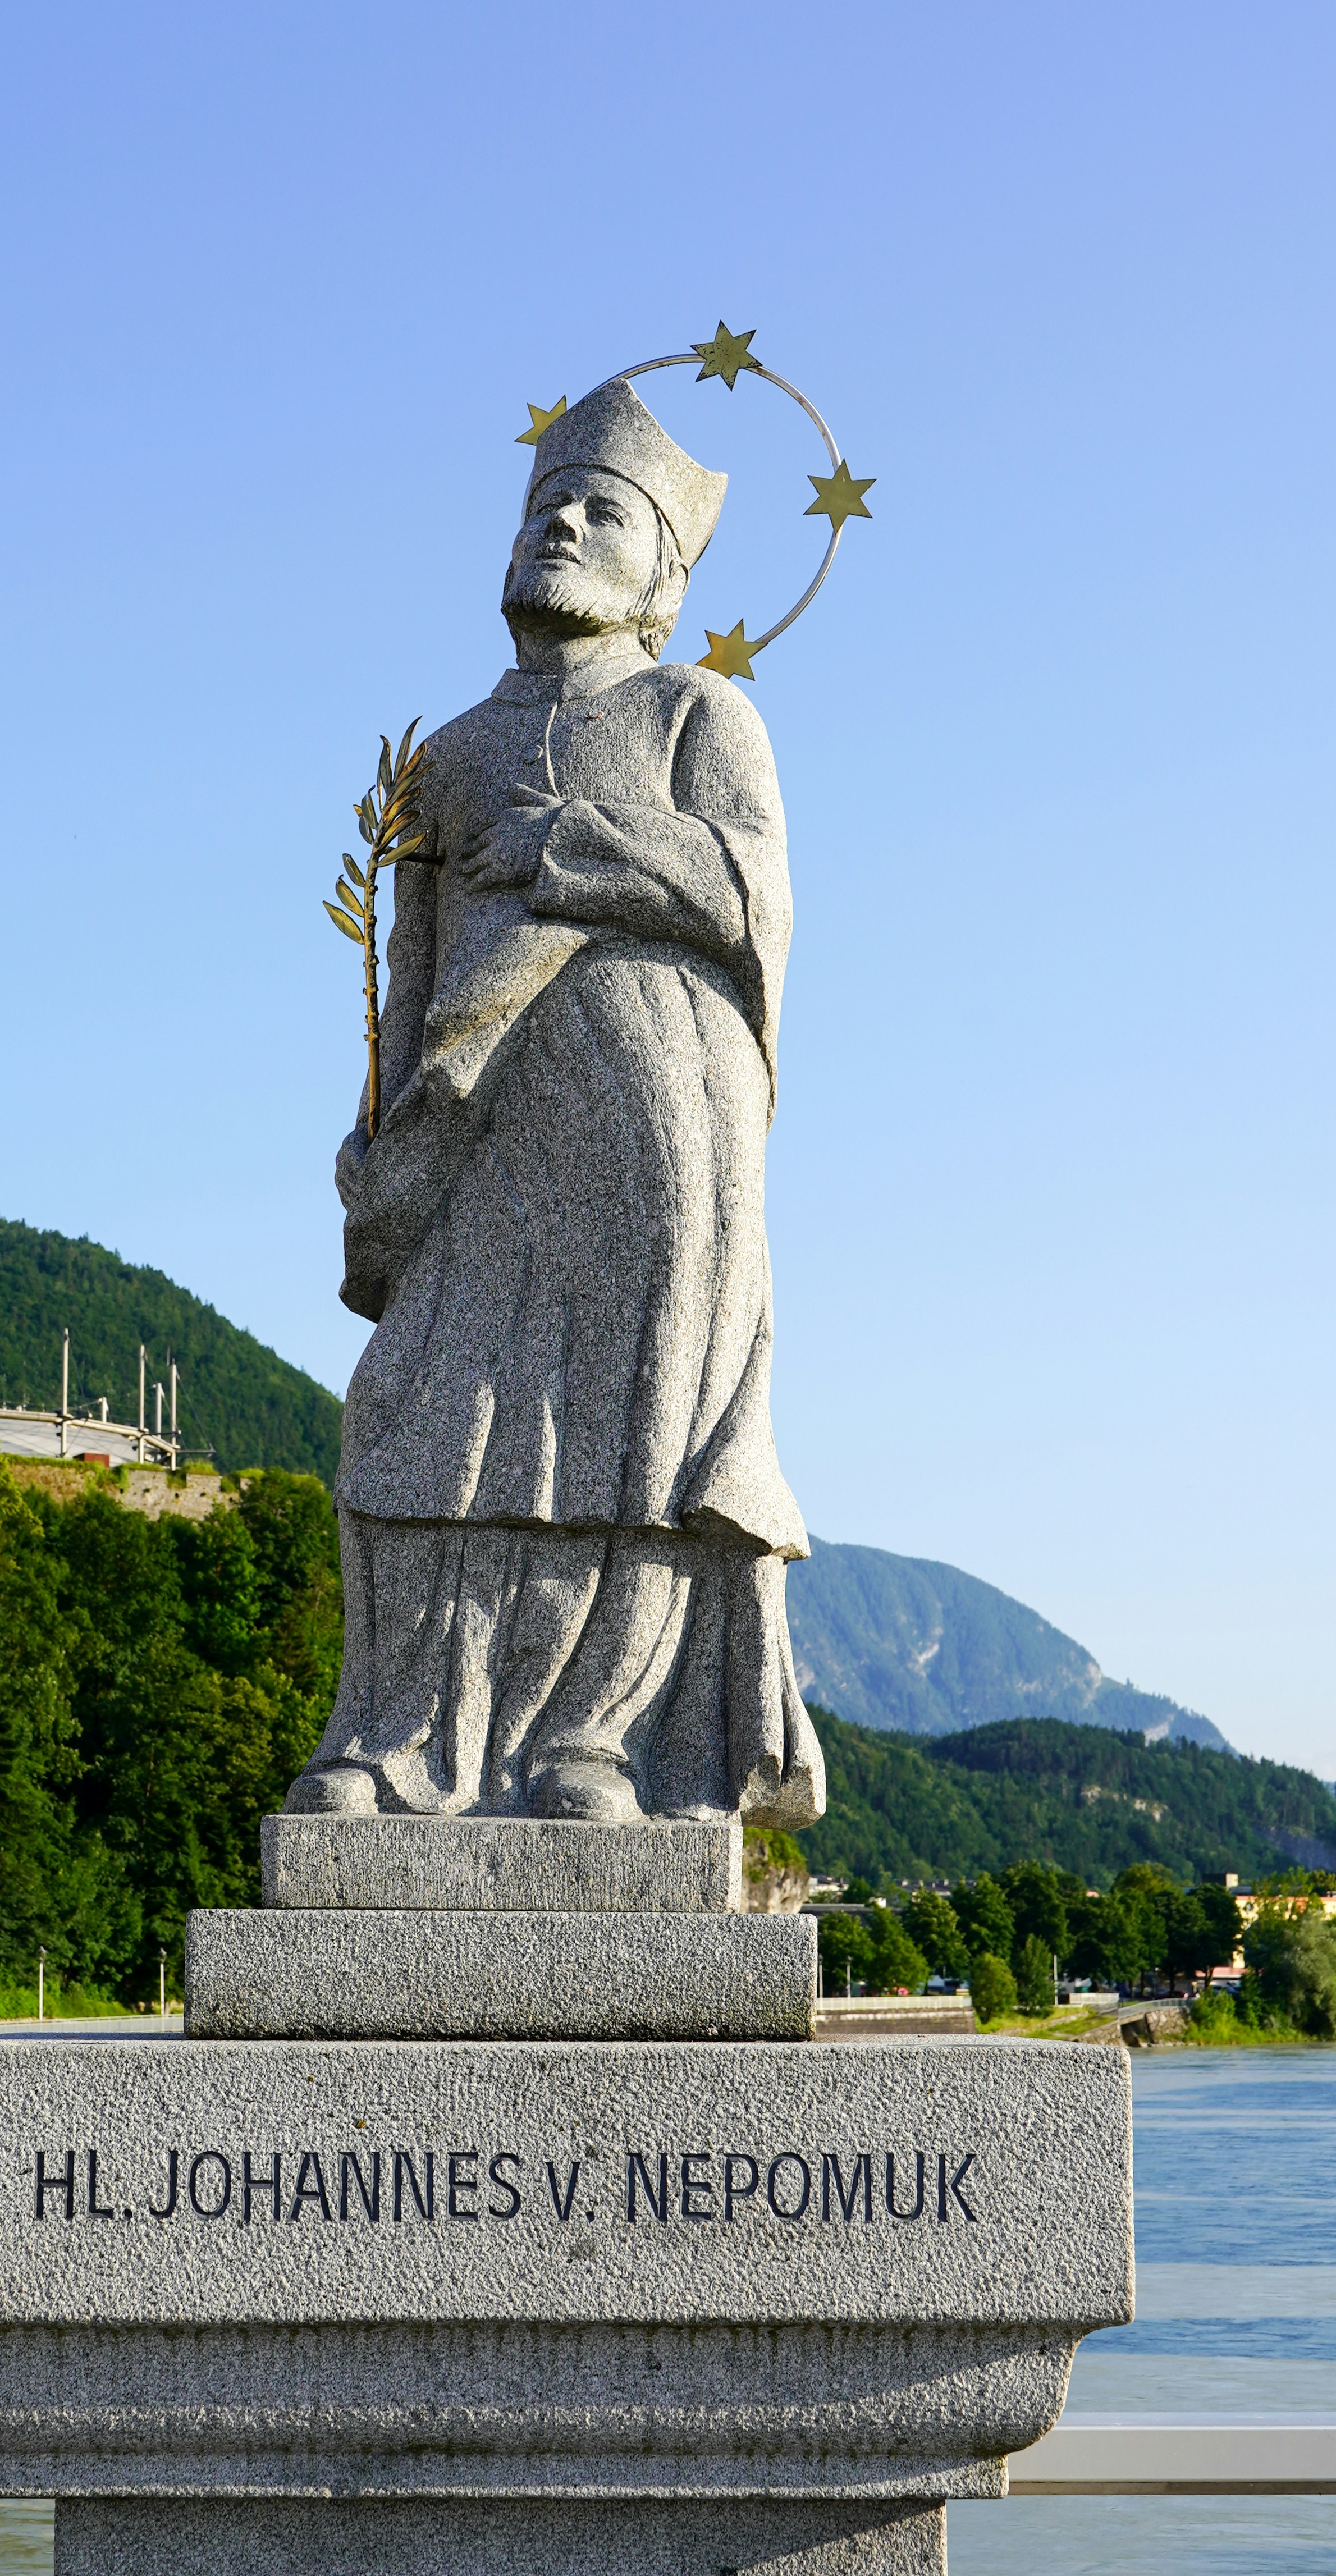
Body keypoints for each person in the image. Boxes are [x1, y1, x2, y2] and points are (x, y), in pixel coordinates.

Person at [287, 378, 823, 1830]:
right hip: (480, 1122)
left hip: (662, 1123)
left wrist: (573, 842)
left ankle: (591, 1741)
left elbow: (751, 891)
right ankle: (402, 1743)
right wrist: (378, 1125)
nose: (564, 526)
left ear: (663, 575)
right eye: (546, 507)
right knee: (426, 1407)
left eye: (603, 512)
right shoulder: (442, 757)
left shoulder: (695, 712)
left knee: (636, 1430)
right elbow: (405, 966)